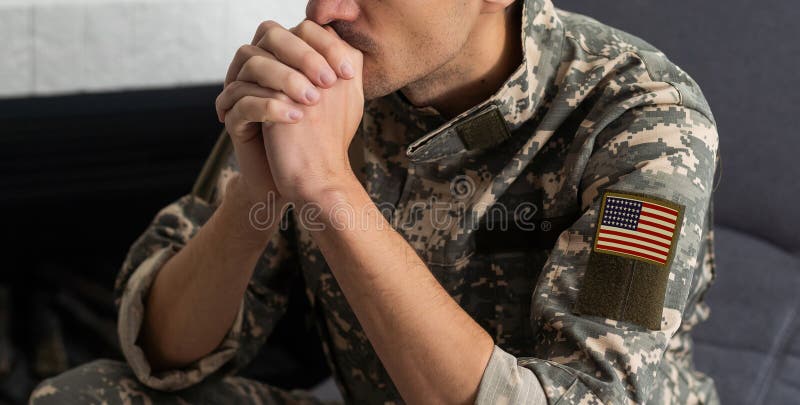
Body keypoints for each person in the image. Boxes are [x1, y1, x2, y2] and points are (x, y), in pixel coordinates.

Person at [29, 0, 721, 403]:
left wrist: (330, 191)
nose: (326, 10)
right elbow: (160, 349)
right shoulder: (319, 82)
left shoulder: (643, 116)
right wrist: (254, 200)